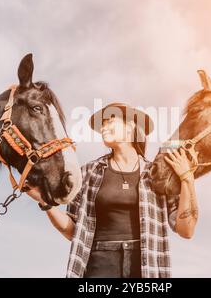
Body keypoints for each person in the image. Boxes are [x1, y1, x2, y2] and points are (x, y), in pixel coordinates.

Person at [25, 103, 199, 278]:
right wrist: (44, 202)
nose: (103, 127)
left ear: (131, 126)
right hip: (99, 265)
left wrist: (187, 178)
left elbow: (186, 230)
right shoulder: (88, 172)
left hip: (145, 267)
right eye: (103, 123)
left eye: (110, 121)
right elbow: (72, 231)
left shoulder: (156, 175)